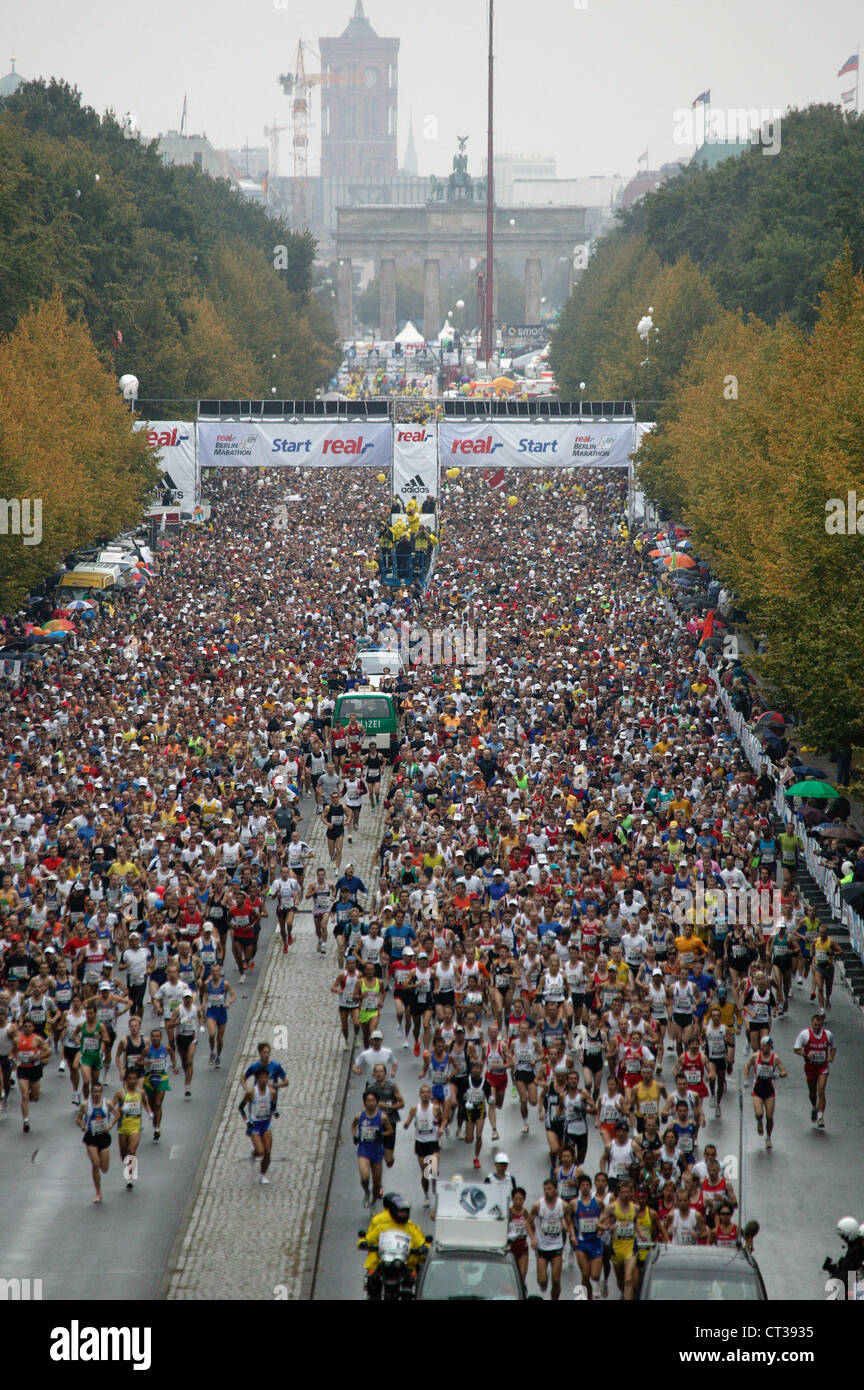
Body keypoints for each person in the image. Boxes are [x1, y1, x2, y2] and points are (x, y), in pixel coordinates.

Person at [359, 1192, 427, 1299]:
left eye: (405, 1212)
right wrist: (364, 1242)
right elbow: (370, 1237)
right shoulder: (382, 1226)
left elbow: (419, 1240)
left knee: (411, 1280)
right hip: (384, 1262)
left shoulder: (411, 1228)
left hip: (404, 1263)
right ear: (393, 1212)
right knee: (373, 1280)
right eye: (401, 1212)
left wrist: (423, 1247)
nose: (403, 1215)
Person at [528, 1177, 572, 1301]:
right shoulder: (538, 1205)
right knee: (542, 1281)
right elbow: (528, 1222)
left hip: (556, 1246)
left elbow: (569, 1222)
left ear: (555, 1190)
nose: (547, 1192)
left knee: (556, 1280)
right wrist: (533, 1238)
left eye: (549, 1189)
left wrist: (572, 1235)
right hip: (542, 1247)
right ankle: (544, 1281)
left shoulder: (562, 1205)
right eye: (545, 1189)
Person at [77, 1079, 119, 1203]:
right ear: (91, 1092)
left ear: (101, 1092)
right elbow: (78, 1119)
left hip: (104, 1137)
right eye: (94, 1092)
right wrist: (83, 1125)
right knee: (95, 1164)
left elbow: (117, 1114)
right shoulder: (85, 1105)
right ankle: (98, 1193)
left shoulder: (107, 1104)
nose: (96, 1094)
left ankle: (99, 1185)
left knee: (104, 1169)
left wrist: (110, 1125)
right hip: (91, 1136)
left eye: (99, 1092)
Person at [794, 1010, 837, 1129]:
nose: (817, 1027)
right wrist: (805, 1054)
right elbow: (796, 1048)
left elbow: (833, 1047)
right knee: (812, 1092)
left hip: (822, 1067)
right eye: (815, 1025)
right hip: (810, 1068)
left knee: (821, 1090)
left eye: (819, 1025)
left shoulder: (828, 1035)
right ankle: (814, 1106)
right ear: (811, 1024)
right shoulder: (805, 1035)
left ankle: (820, 1116)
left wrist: (831, 1056)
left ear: (822, 1025)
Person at [743, 1034, 787, 1148]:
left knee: (769, 1116)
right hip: (757, 1089)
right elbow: (747, 1065)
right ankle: (759, 1121)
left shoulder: (775, 1058)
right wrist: (746, 1080)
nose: (763, 1047)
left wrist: (779, 1075)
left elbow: (784, 1071)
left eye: (765, 1045)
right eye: (761, 1045)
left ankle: (768, 1137)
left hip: (769, 1090)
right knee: (759, 1114)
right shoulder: (756, 1056)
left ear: (770, 1046)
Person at [403, 1082, 443, 1206]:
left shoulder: (435, 1108)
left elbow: (443, 1120)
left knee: (433, 1168)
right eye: (423, 1092)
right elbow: (408, 1120)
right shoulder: (415, 1109)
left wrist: (441, 1128)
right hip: (420, 1143)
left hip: (432, 1142)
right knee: (425, 1174)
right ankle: (426, 1196)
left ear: (430, 1094)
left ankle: (435, 1183)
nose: (425, 1094)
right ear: (420, 1095)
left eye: (427, 1092)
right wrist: (406, 1124)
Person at [352, 1088, 392, 1209]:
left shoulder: (382, 1117)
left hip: (377, 1152)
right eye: (368, 1100)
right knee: (364, 1177)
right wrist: (355, 1136)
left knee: (377, 1183)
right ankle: (366, 1192)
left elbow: (390, 1130)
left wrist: (382, 1134)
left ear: (377, 1102)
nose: (370, 1103)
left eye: (373, 1100)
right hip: (363, 1150)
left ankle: (373, 1203)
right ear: (365, 1102)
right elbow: (353, 1126)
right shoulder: (360, 1116)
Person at [11, 1014, 50, 1133]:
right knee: (24, 1096)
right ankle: (26, 1121)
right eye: (25, 1026)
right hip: (22, 1069)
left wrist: (38, 1056)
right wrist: (12, 1059)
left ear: (33, 1028)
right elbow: (13, 1052)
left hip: (34, 1069)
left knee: (35, 1097)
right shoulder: (17, 1039)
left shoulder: (37, 1039)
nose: (27, 1028)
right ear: (22, 1028)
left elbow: (48, 1052)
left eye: (30, 1026)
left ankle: (32, 1093)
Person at [243, 1066, 277, 1185]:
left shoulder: (272, 1092)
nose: (263, 1079)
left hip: (266, 1124)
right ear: (257, 1079)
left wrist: (275, 1112)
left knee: (268, 1151)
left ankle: (262, 1175)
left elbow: (273, 1106)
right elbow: (241, 1107)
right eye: (261, 1077)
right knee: (261, 1151)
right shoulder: (252, 1092)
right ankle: (254, 1153)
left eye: (265, 1077)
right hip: (255, 1126)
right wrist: (247, 1121)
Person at [113, 1070, 144, 1190]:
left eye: (134, 1079)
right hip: (123, 1127)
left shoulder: (141, 1092)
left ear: (137, 1080)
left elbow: (145, 1104)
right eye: (130, 1079)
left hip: (135, 1126)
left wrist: (150, 1113)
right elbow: (112, 1106)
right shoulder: (120, 1093)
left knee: (132, 1150)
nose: (132, 1081)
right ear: (126, 1080)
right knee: (124, 1155)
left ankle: (130, 1177)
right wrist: (120, 1110)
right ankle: (129, 1168)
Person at [204, 961, 236, 1069]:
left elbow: (233, 995)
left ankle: (218, 1056)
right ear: (211, 972)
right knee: (212, 1034)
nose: (215, 973)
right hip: (211, 1012)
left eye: (217, 971)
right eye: (213, 971)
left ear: (220, 971)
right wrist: (204, 1004)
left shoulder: (225, 984)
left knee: (220, 1038)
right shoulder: (207, 983)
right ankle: (212, 1051)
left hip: (222, 1012)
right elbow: (204, 994)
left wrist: (229, 1002)